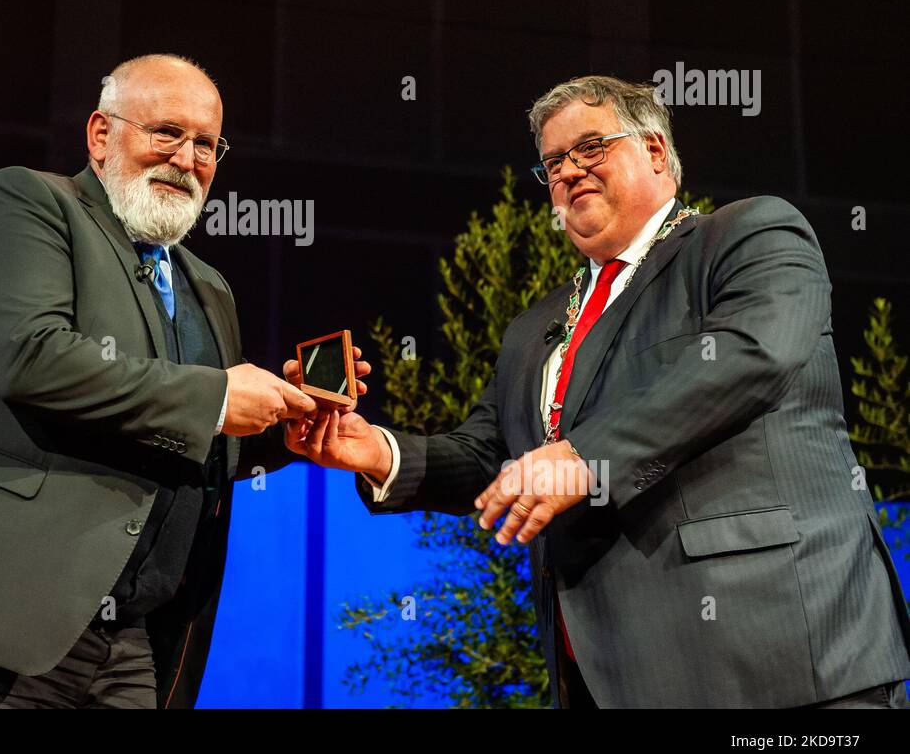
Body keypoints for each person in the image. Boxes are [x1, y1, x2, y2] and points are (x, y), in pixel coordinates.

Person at [287, 74, 910, 709]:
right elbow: (491, 458)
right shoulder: (533, 329)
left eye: (591, 147)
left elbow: (752, 357)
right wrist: (377, 452)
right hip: (604, 672)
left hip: (777, 654)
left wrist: (585, 455)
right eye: (553, 161)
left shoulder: (749, 236)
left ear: (656, 152)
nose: (568, 171)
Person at [0, 53, 360, 708]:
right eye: (167, 132)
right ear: (101, 134)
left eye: (207, 145)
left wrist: (280, 430)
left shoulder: (208, 287)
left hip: (124, 639)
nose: (187, 158)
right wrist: (219, 396)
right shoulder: (29, 202)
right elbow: (34, 358)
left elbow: (174, 431)